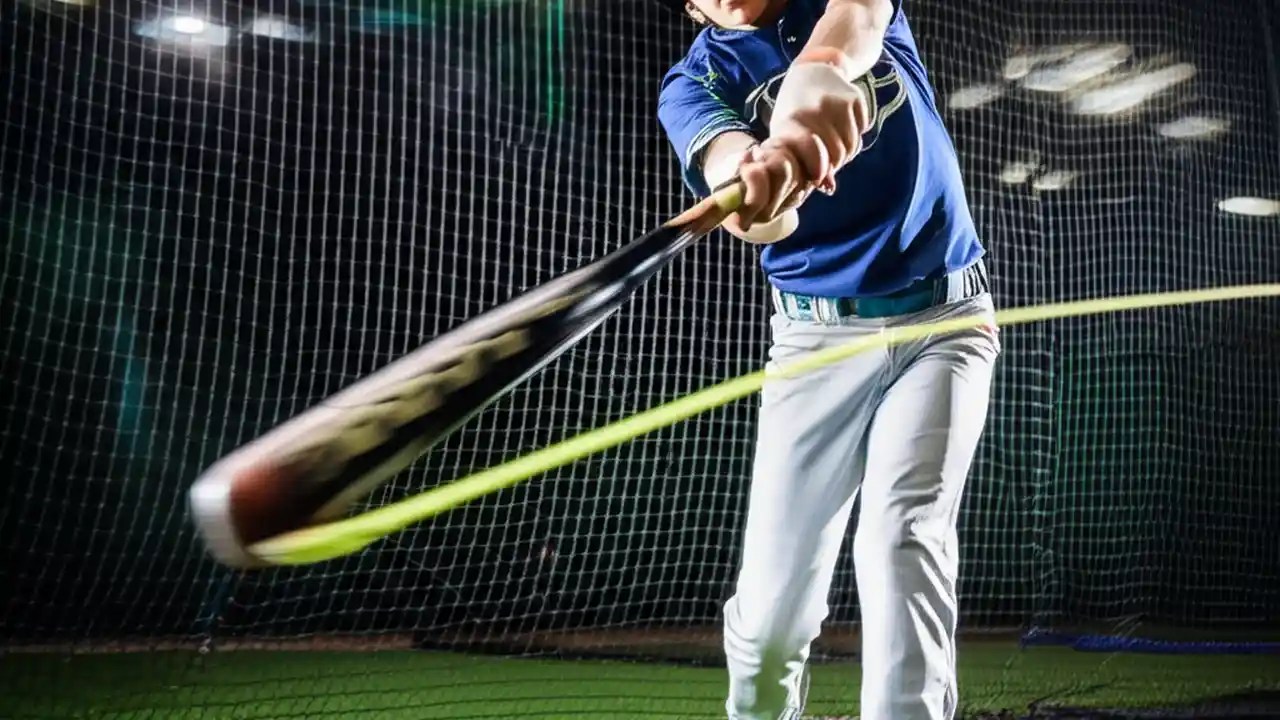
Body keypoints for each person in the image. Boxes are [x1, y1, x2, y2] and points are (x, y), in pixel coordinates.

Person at [655, 1, 1001, 718]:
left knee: (902, 542)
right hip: (815, 343)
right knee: (771, 617)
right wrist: (756, 180)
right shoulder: (693, 84)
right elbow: (745, 197)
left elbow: (857, 25)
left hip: (944, 321)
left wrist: (813, 84)